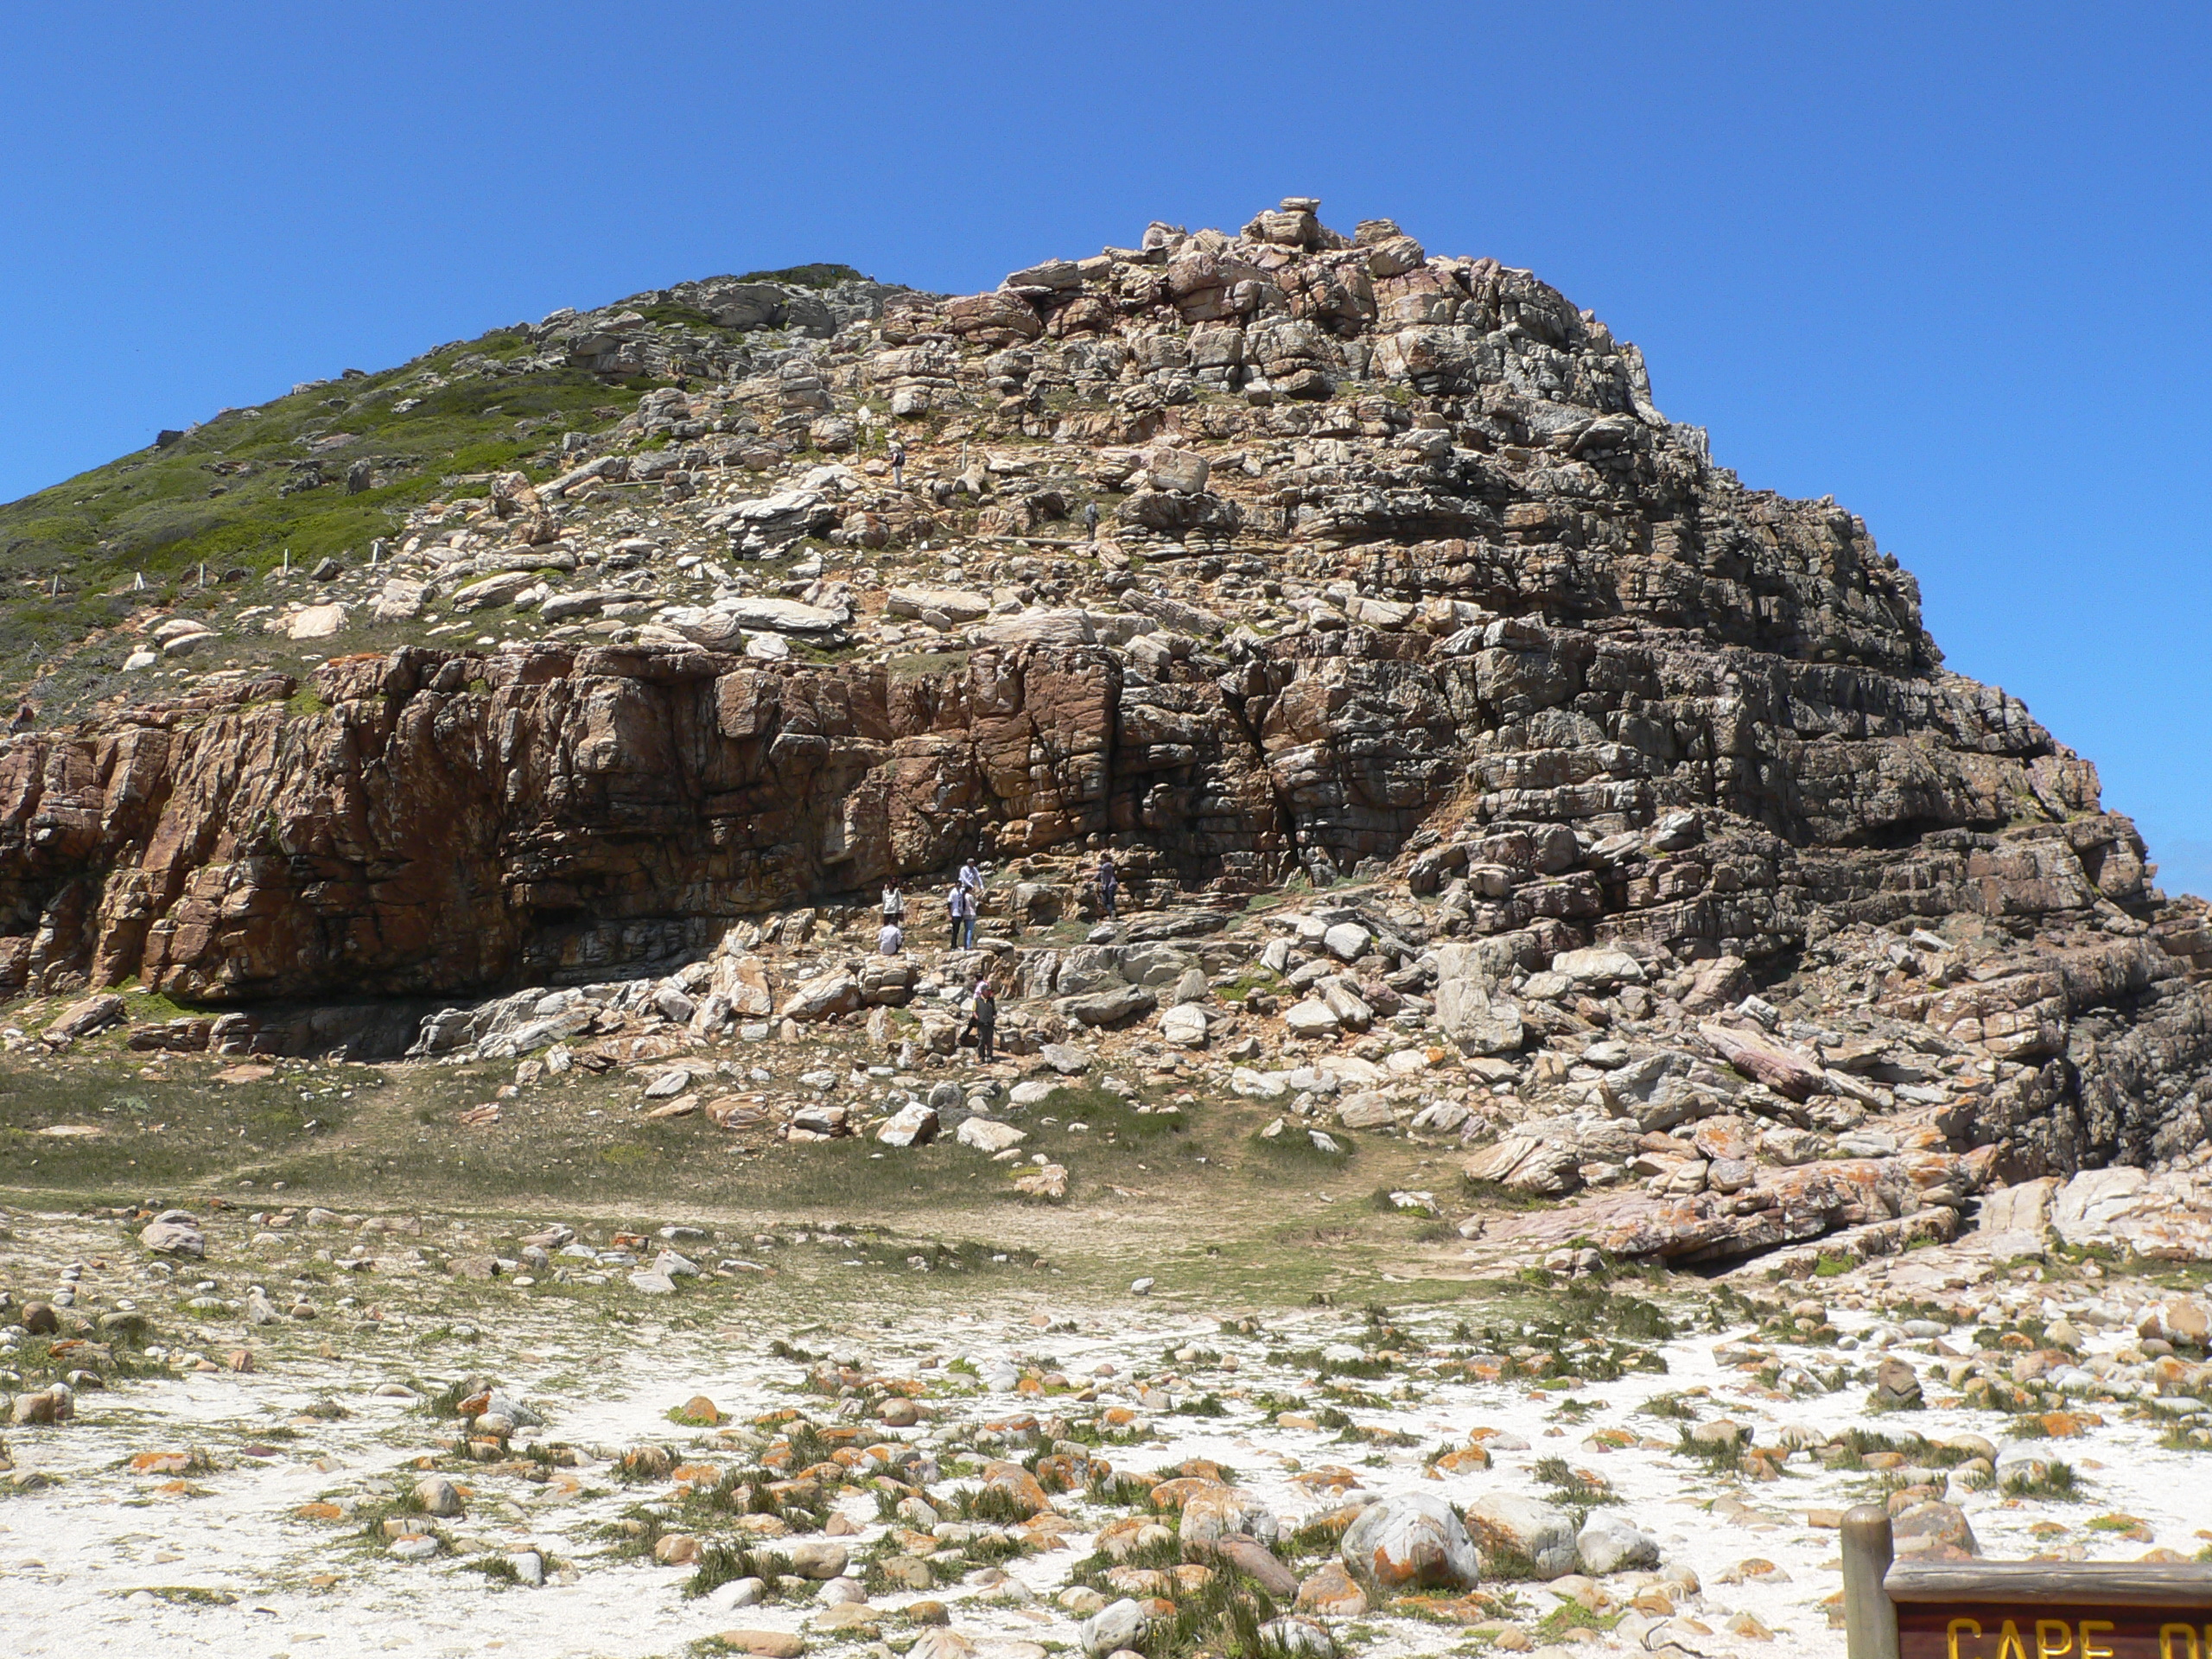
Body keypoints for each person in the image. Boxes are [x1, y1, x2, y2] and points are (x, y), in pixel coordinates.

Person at [971, 977, 998, 1064]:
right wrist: (978, 1019)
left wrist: (993, 1017)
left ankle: (990, 1056)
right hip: (981, 1024)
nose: (989, 992)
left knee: (990, 1041)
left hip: (990, 1024)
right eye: (987, 991)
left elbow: (994, 1011)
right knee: (981, 1040)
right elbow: (974, 1011)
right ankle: (981, 1056)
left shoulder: (991, 1000)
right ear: (983, 991)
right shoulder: (977, 1000)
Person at [947, 881, 975, 950]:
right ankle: (953, 946)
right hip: (955, 913)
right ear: (955, 885)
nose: (958, 886)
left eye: (960, 885)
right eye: (957, 885)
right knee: (955, 931)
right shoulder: (953, 892)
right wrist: (950, 915)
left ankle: (955, 945)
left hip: (960, 913)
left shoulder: (960, 892)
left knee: (957, 930)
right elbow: (949, 903)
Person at [1096, 853, 1118, 920]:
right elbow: (1098, 875)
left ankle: (1112, 914)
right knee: (1105, 901)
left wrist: (1086, 870)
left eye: (1103, 858)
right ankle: (1111, 913)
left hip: (1111, 885)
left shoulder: (1108, 865)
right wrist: (1089, 880)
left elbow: (1100, 868)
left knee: (1110, 900)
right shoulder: (1103, 869)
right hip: (1105, 887)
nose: (1102, 860)